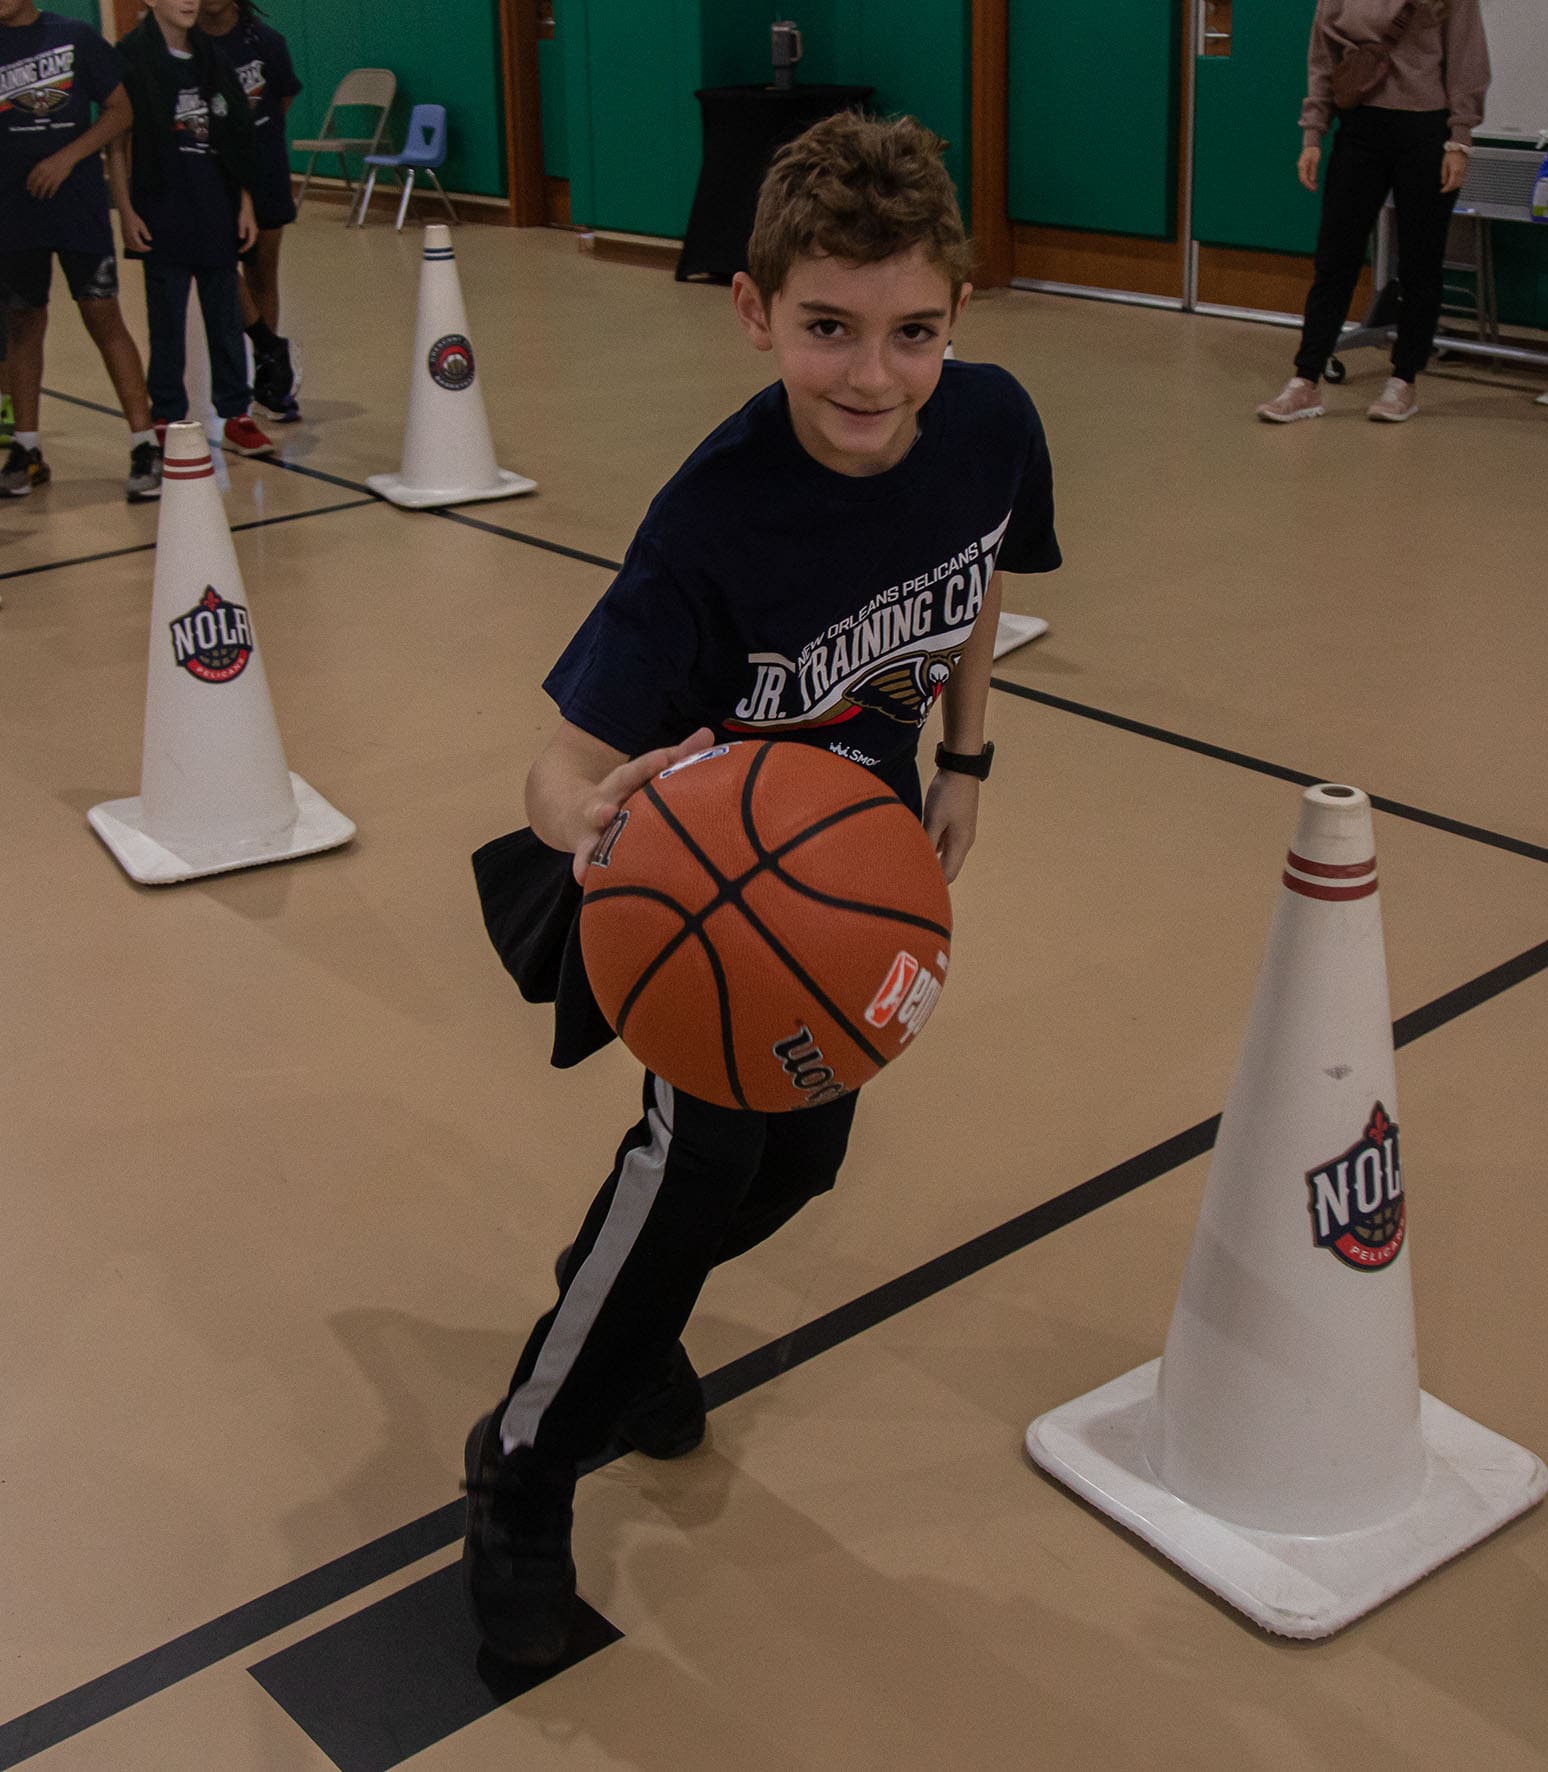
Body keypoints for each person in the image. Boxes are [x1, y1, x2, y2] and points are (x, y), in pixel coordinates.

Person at [461, 110, 1062, 1668]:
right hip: (714, 898)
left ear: (958, 314)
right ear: (755, 310)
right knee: (697, 1162)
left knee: (806, 1167)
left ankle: (624, 1311)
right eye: (827, 329)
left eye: (911, 331)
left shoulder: (991, 424)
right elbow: (561, 762)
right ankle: (523, 1466)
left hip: (846, 886)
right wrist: (592, 821)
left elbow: (979, 574)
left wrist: (967, 758)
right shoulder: (713, 521)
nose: (872, 376)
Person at [1258, 0, 1491, 425]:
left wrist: (1460, 139)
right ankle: (1305, 379)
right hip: (1359, 130)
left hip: (1427, 133)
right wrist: (1313, 134)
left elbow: (1467, 57)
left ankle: (1403, 379)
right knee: (1335, 259)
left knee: (1420, 262)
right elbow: (1323, 56)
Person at [0, 0, 161, 500]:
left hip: (78, 208)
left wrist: (66, 158)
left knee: (102, 314)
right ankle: (26, 449)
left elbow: (121, 110)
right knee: (23, 323)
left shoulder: (74, 35)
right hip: (14, 211)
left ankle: (144, 444)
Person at [108, 0, 277, 459]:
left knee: (225, 321)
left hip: (215, 210)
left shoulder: (213, 59)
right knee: (166, 323)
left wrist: (244, 204)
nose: (189, 1)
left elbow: (238, 137)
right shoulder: (130, 58)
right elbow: (117, 144)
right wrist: (126, 211)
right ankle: (166, 413)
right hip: (161, 212)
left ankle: (236, 413)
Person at [196, 0, 301, 422]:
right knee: (217, 264)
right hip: (209, 174)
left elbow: (283, 98)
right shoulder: (185, 43)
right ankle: (267, 343)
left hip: (264, 173)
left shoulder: (266, 43)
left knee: (262, 274)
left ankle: (268, 376)